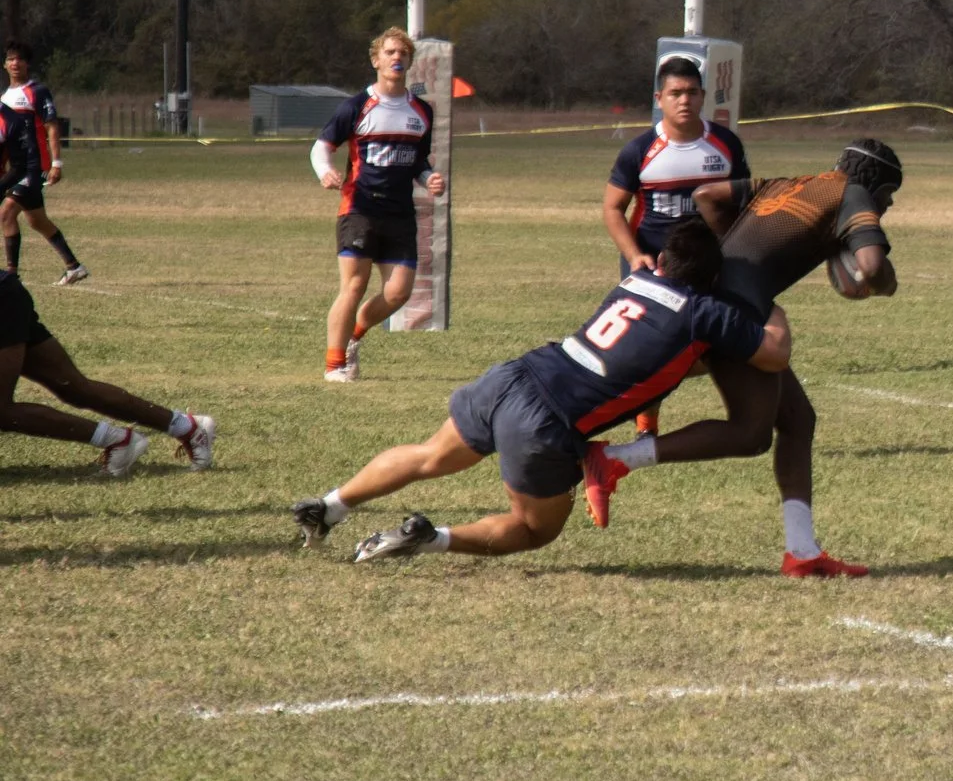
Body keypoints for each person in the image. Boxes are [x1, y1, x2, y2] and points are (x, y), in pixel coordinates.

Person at [290, 219, 788, 562]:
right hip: (549, 418)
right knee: (534, 529)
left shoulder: (632, 283)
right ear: (712, 279)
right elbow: (774, 355)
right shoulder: (704, 312)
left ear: (661, 259)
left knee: (428, 456)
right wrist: (766, 302)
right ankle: (428, 538)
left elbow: (653, 356)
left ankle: (330, 507)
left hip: (517, 374)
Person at [578, 138, 901, 578]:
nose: (889, 204)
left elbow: (707, 195)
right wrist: (883, 286)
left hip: (719, 296)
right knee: (750, 434)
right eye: (890, 194)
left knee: (797, 420)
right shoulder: (855, 195)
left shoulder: (793, 183)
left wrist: (732, 260)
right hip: (734, 310)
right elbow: (873, 266)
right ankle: (615, 458)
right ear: (875, 182)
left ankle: (802, 552)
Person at [602, 55, 747, 435]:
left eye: (692, 92)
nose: (685, 100)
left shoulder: (725, 145)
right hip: (652, 264)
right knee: (649, 346)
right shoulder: (639, 150)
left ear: (703, 96)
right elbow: (613, 208)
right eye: (675, 93)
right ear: (659, 98)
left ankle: (743, 417)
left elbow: (742, 204)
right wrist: (634, 256)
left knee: (723, 339)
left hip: (709, 262)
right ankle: (645, 424)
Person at [312, 27, 445, 381]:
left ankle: (354, 335)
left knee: (398, 293)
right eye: (390, 52)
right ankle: (334, 365)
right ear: (376, 60)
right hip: (360, 208)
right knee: (354, 286)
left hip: (400, 214)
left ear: (410, 61)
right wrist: (325, 172)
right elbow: (321, 147)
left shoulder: (421, 111)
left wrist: (429, 177)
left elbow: (418, 161)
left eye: (403, 53)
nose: (396, 57)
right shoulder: (356, 106)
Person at [1, 268, 213, 473]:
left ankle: (119, 440)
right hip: (7, 294)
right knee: (74, 388)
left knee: (3, 410)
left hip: (4, 299)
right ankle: (185, 427)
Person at [2, 41, 88, 285]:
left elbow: (52, 127)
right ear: (5, 64)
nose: (15, 63)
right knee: (36, 220)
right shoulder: (5, 97)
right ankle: (74, 267)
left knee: (6, 213)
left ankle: (11, 276)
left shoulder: (37, 91)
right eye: (11, 59)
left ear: (27, 64)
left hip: (35, 165)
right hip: (17, 168)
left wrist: (56, 163)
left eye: (20, 59)